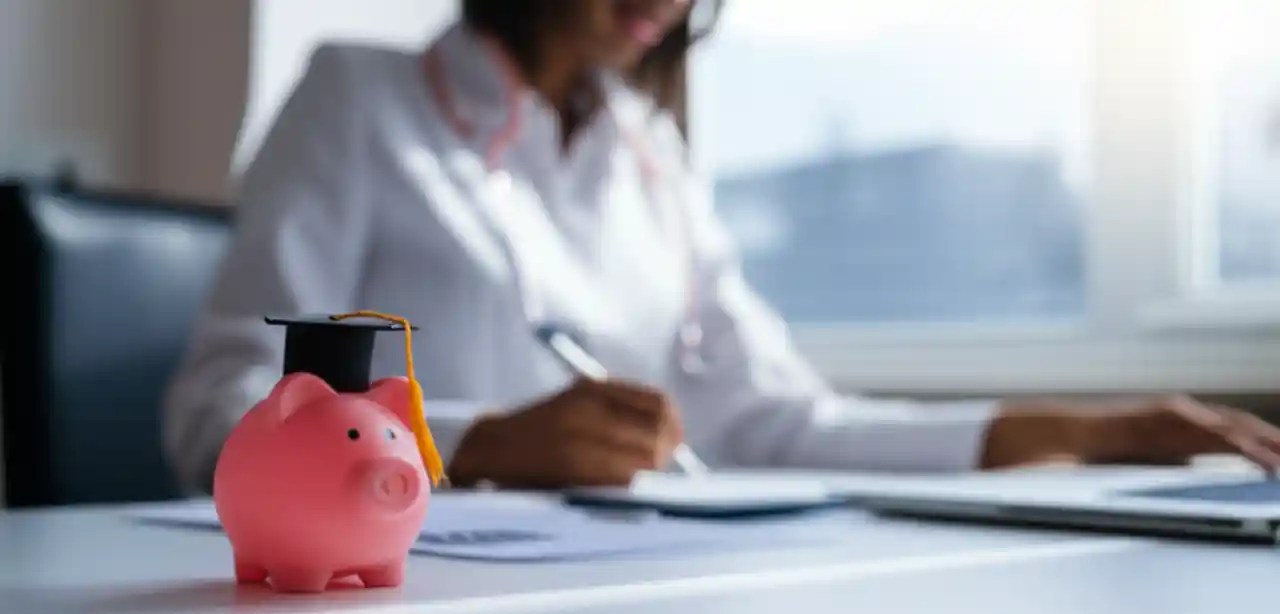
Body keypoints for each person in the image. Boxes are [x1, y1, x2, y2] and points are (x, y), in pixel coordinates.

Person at [164, 0, 1280, 493]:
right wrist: (478, 445)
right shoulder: (356, 98)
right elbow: (219, 412)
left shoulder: (648, 153)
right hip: (387, 603)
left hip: (615, 595)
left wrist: (1084, 433)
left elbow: (774, 420)